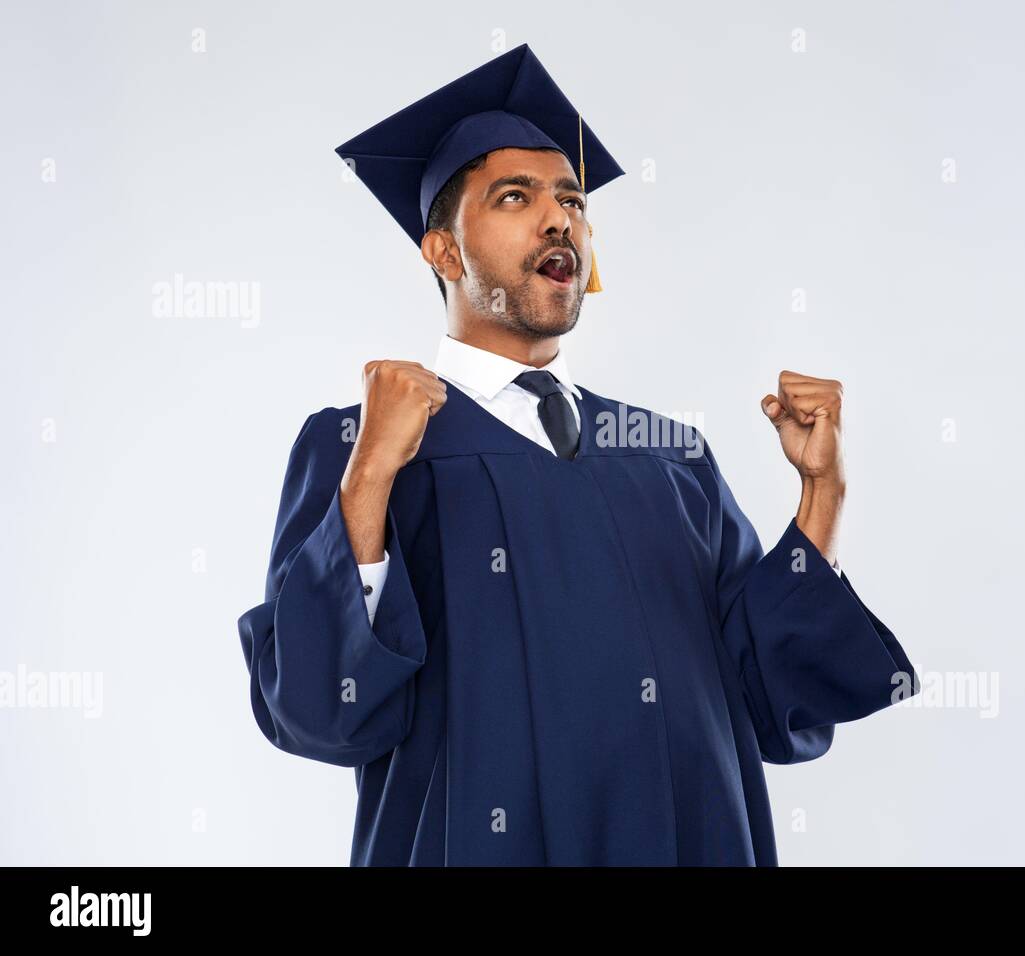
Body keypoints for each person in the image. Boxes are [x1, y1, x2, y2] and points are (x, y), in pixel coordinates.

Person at [237, 43, 915, 866]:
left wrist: (821, 496)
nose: (560, 218)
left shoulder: (669, 455)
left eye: (572, 199)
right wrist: (370, 477)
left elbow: (774, 698)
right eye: (514, 197)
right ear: (444, 251)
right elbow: (321, 713)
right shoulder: (359, 445)